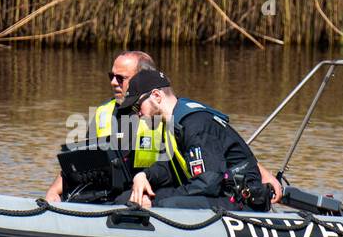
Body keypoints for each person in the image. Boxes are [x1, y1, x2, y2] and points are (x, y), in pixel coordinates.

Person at [121, 69, 274, 212]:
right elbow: (171, 166)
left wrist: (155, 201)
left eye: (137, 106)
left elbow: (208, 183)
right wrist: (144, 176)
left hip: (240, 200)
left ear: (156, 96)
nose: (138, 113)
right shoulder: (173, 122)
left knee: (164, 205)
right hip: (214, 192)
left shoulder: (195, 124)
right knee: (129, 197)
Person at [44, 50, 162, 202]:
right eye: (111, 76)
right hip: (105, 194)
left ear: (143, 80)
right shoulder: (103, 112)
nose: (113, 82)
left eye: (121, 78)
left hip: (147, 194)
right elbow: (82, 160)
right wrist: (54, 190)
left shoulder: (163, 112)